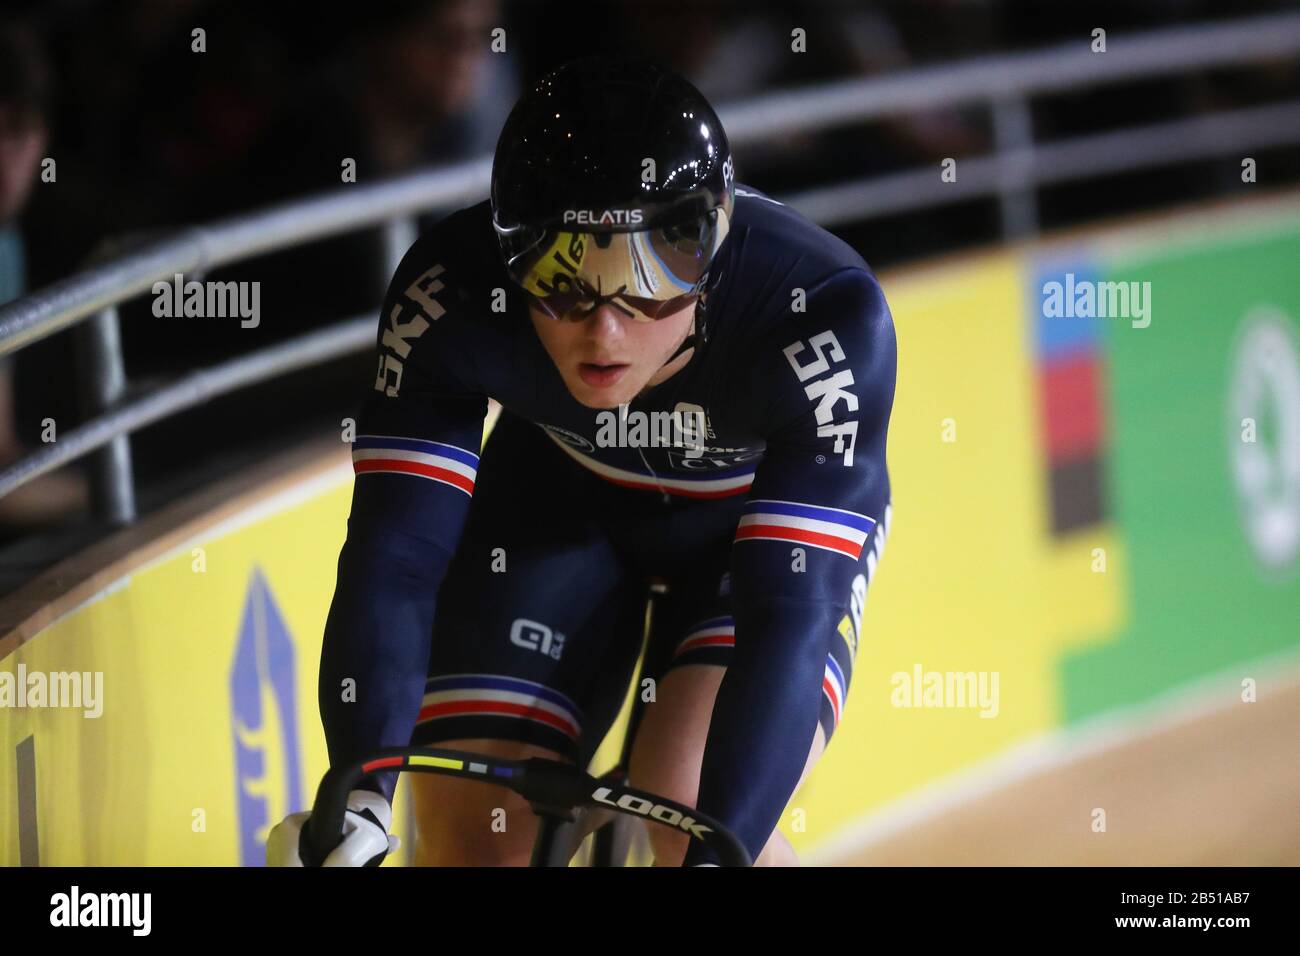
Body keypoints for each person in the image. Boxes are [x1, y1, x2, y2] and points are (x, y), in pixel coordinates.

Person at [268, 54, 896, 867]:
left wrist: (718, 851)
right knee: (477, 846)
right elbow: (394, 559)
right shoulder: (448, 294)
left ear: (715, 245)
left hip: (748, 547)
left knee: (686, 806)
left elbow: (789, 614)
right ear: (506, 253)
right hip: (554, 508)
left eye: (650, 278)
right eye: (561, 278)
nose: (604, 331)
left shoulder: (822, 313)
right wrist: (360, 792)